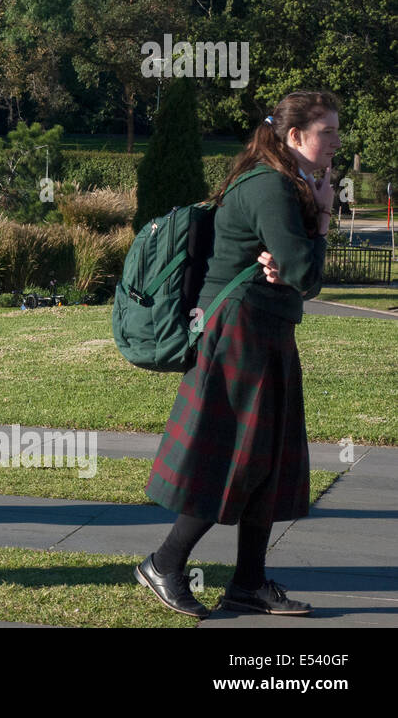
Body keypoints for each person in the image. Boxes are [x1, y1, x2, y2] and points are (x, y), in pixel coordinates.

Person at [136, 91, 340, 619]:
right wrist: (321, 220)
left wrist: (296, 258)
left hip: (262, 331)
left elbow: (296, 271)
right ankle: (164, 563)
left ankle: (248, 583)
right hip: (238, 335)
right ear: (294, 136)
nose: (336, 142)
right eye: (327, 132)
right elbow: (307, 275)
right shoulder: (271, 185)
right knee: (233, 455)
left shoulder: (280, 181)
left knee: (265, 461)